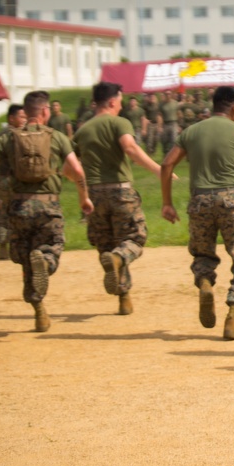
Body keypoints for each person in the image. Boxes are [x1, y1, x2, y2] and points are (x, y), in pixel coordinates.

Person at [160, 86, 234, 340]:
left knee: (203, 253)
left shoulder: (191, 131)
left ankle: (205, 283)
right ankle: (233, 317)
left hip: (199, 200)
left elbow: (167, 163)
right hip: (232, 201)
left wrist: (167, 202)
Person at [0, 91, 93, 332]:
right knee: (52, 246)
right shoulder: (56, 137)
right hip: (48, 206)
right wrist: (84, 198)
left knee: (25, 259)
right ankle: (45, 262)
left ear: (26, 113)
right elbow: (77, 171)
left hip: (18, 207)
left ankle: (39, 310)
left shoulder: (8, 138)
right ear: (45, 112)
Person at [73, 83, 165, 315]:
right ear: (113, 101)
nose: (122, 104)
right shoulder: (119, 122)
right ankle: (119, 259)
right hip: (120, 192)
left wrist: (82, 194)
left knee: (106, 246)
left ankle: (124, 298)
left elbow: (72, 167)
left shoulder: (82, 131)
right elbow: (130, 148)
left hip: (94, 194)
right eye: (121, 100)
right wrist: (158, 170)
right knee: (133, 239)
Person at [0, 104, 26, 260]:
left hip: (0, 179)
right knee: (17, 212)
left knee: (0, 212)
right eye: (22, 116)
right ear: (11, 118)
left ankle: (3, 245)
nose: (24, 119)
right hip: (16, 180)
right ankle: (17, 246)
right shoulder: (22, 135)